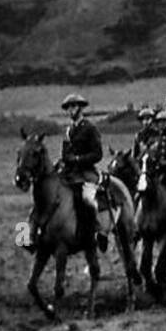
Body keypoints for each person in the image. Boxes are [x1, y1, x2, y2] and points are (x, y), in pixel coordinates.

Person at [57, 93, 109, 252]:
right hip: (69, 172)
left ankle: (100, 231)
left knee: (89, 199)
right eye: (69, 107)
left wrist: (79, 159)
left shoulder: (90, 128)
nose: (71, 110)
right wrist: (62, 161)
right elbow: (65, 154)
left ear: (80, 108)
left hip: (86, 172)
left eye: (74, 106)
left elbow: (97, 154)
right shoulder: (68, 130)